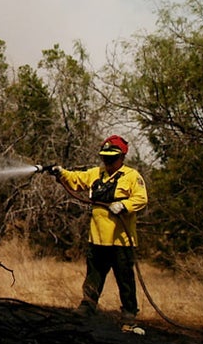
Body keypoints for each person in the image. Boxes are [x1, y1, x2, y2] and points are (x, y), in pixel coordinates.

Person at [46, 135, 148, 324]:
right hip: (98, 238)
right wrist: (61, 172)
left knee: (124, 277)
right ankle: (88, 305)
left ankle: (129, 312)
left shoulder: (132, 176)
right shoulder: (96, 173)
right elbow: (76, 179)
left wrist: (124, 205)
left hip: (121, 239)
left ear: (122, 157)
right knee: (94, 274)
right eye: (105, 158)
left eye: (112, 159)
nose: (108, 162)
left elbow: (141, 199)